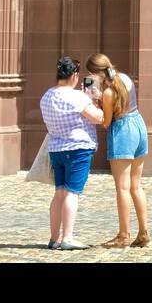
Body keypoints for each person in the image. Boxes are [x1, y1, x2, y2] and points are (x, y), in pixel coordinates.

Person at [84, 53, 151, 248]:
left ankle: (123, 236)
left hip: (123, 131)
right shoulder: (125, 78)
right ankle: (143, 232)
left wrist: (94, 102)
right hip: (138, 125)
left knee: (122, 187)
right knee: (136, 186)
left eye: (91, 73)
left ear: (95, 72)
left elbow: (106, 122)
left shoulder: (107, 92)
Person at [39, 56, 104, 250]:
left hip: (56, 149)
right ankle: (68, 237)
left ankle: (54, 238)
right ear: (75, 75)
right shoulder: (78, 97)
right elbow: (98, 118)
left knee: (59, 193)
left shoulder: (47, 95)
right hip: (78, 149)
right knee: (72, 194)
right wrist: (95, 99)